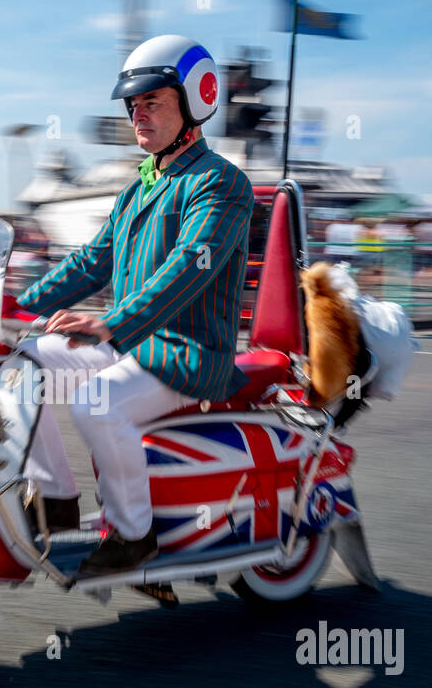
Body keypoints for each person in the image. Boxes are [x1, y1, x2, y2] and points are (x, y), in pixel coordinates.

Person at [14, 33, 254, 576]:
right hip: (131, 346)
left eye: (153, 102)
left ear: (195, 101)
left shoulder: (221, 184)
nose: (138, 115)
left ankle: (133, 534)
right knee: (22, 364)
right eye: (133, 105)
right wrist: (15, 302)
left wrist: (109, 323)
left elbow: (187, 270)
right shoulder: (138, 187)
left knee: (95, 403)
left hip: (187, 354)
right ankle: (55, 502)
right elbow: (90, 263)